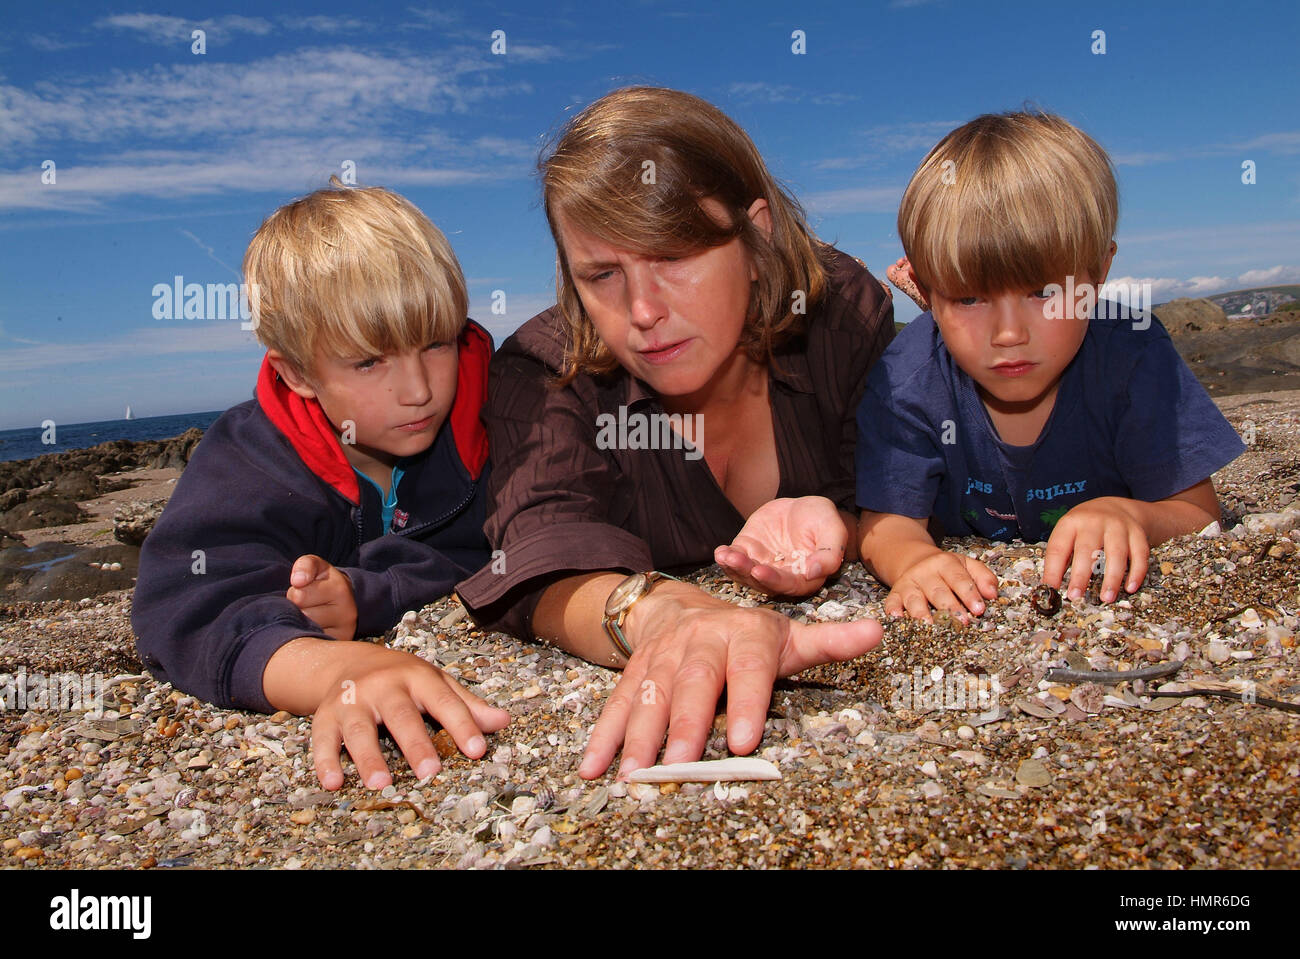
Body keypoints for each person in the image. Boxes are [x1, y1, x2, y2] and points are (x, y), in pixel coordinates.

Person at [456, 86, 894, 780]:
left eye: (674, 257)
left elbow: (896, 470)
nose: (641, 310)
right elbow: (536, 556)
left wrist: (842, 512)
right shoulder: (548, 370)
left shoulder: (842, 313)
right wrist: (665, 614)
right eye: (601, 274)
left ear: (758, 235)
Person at [132, 180, 509, 791]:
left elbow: (505, 543)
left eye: (436, 343)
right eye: (369, 361)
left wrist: (371, 591)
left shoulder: (491, 418)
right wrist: (333, 669)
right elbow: (184, 607)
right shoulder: (250, 459)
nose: (418, 389)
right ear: (297, 372)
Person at [855, 111, 1246, 622]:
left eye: (1044, 293)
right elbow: (884, 523)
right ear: (927, 291)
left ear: (1099, 272)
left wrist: (1133, 515)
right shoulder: (905, 381)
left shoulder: (1133, 354)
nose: (1009, 333)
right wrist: (917, 558)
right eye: (969, 298)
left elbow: (1197, 511)